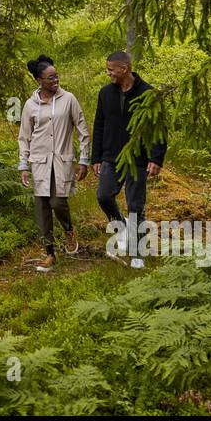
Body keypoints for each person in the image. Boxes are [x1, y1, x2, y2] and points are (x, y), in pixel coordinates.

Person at [86, 51, 167, 269]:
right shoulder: (105, 93)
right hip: (111, 158)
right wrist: (97, 158)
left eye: (111, 69)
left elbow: (158, 128)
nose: (108, 73)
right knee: (103, 196)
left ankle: (137, 253)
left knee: (135, 206)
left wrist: (156, 158)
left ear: (124, 69)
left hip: (138, 159)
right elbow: (99, 125)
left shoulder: (148, 93)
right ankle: (120, 227)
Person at [18, 55, 90, 272]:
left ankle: (69, 231)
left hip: (62, 160)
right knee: (42, 208)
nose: (55, 80)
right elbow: (24, 137)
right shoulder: (30, 105)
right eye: (50, 78)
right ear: (39, 80)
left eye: (56, 76)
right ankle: (49, 253)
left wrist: (84, 160)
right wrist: (23, 165)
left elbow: (83, 130)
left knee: (58, 203)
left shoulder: (69, 99)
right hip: (39, 162)